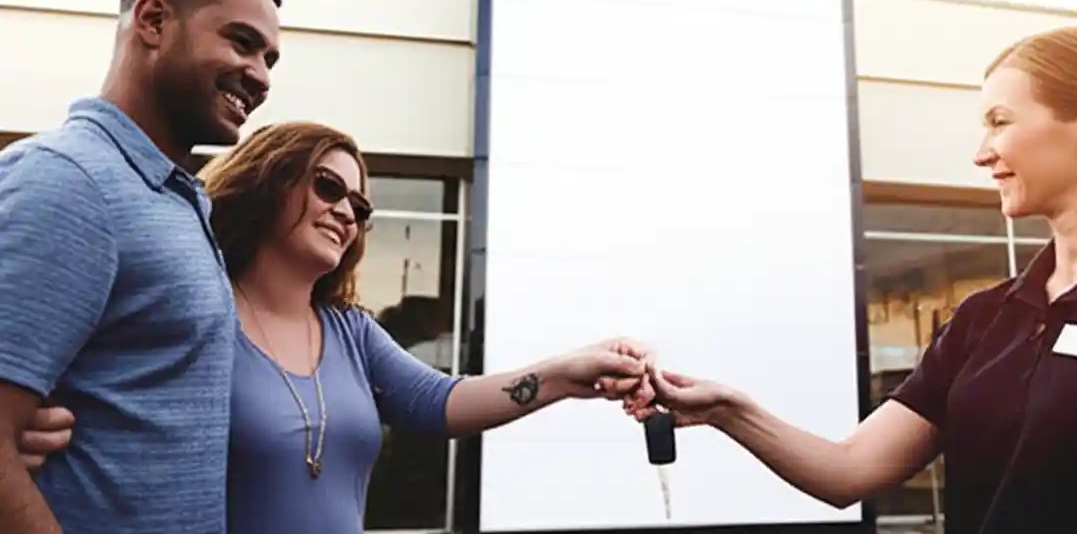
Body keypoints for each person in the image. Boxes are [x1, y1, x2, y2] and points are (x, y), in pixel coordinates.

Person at [628, 27, 1077, 533]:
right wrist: (726, 411)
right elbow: (850, 470)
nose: (980, 152)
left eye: (1000, 122)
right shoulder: (983, 320)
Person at [28, 121, 655, 534]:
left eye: (359, 207)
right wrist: (35, 417)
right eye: (327, 187)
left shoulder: (351, 332)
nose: (345, 213)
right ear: (268, 181)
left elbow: (440, 402)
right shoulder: (196, 313)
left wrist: (570, 373)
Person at [0, 0, 285, 534]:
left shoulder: (177, 196)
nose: (259, 77)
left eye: (270, 60)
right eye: (242, 42)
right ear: (153, 21)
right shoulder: (69, 180)